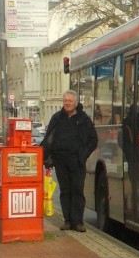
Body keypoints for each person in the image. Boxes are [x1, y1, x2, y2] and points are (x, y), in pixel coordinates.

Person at [42, 90, 98, 232]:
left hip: (77, 161)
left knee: (77, 190)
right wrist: (46, 157)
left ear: (76, 103)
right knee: (65, 191)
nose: (67, 103)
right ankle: (67, 221)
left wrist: (83, 154)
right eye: (65, 100)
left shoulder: (83, 119)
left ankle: (78, 222)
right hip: (60, 160)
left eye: (70, 101)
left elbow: (93, 140)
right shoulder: (57, 118)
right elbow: (49, 138)